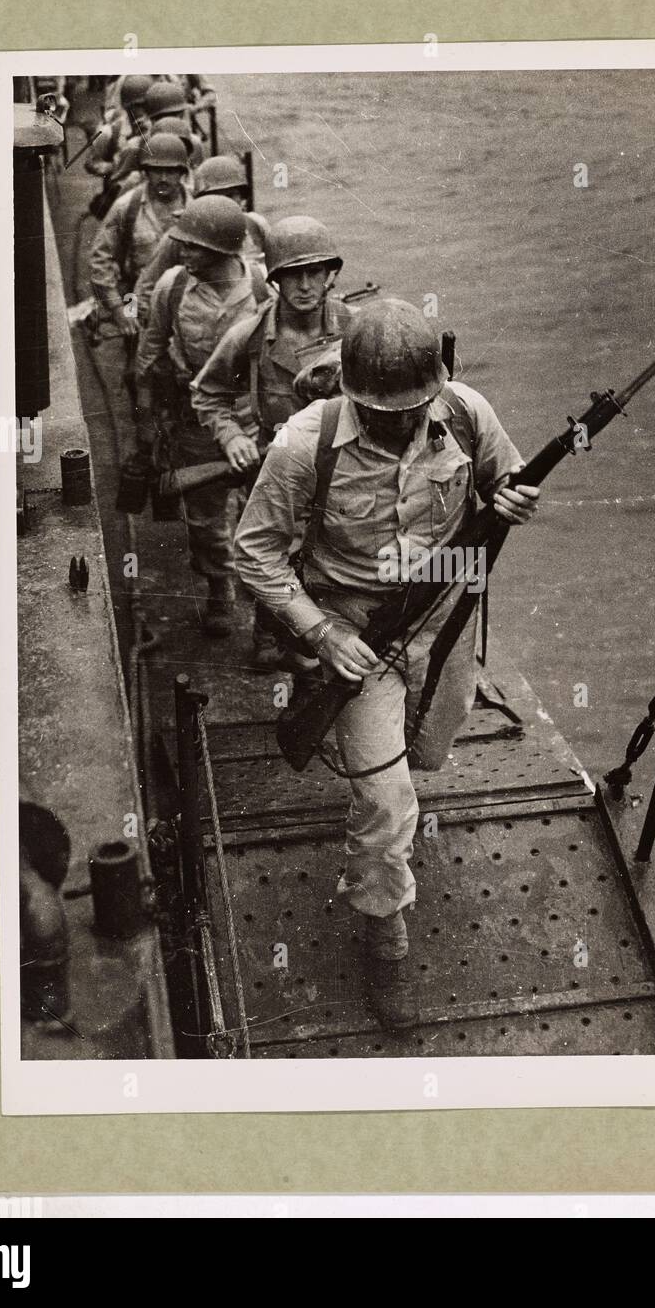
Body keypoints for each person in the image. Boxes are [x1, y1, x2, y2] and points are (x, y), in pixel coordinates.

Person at [231, 298, 541, 1029]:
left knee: (432, 753)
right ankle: (383, 930)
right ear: (350, 393)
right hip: (355, 631)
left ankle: (384, 846)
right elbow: (254, 551)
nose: (402, 421)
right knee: (386, 797)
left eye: (414, 406)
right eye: (382, 409)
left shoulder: (463, 413)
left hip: (442, 624)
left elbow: (510, 475)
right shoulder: (302, 446)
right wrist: (320, 633)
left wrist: (517, 497)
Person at [192, 214, 357, 666]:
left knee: (335, 554)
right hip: (276, 463)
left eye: (314, 273)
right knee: (270, 549)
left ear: (330, 275)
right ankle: (270, 633)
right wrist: (232, 438)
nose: (304, 285)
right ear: (276, 280)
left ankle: (324, 642)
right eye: (292, 275)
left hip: (344, 465)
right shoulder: (248, 337)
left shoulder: (357, 330)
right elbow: (208, 393)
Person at [133, 196, 260, 636]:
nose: (181, 251)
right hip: (194, 417)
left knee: (266, 514)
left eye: (192, 246)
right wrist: (145, 417)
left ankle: (265, 609)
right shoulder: (173, 286)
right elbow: (149, 352)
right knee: (204, 518)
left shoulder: (262, 290)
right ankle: (220, 586)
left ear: (223, 249)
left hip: (252, 418)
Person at [87, 132, 191, 428]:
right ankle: (144, 435)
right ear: (145, 171)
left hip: (183, 298)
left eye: (171, 170)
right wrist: (118, 311)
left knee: (182, 370)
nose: (163, 177)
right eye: (156, 170)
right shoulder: (127, 206)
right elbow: (100, 257)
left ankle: (174, 426)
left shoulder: (196, 208)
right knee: (137, 369)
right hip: (136, 294)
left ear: (182, 172)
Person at [133, 156, 270, 325]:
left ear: (242, 199)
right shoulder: (179, 238)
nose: (223, 203)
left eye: (231, 195)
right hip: (196, 326)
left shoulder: (256, 225)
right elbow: (145, 288)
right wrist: (139, 326)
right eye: (214, 197)